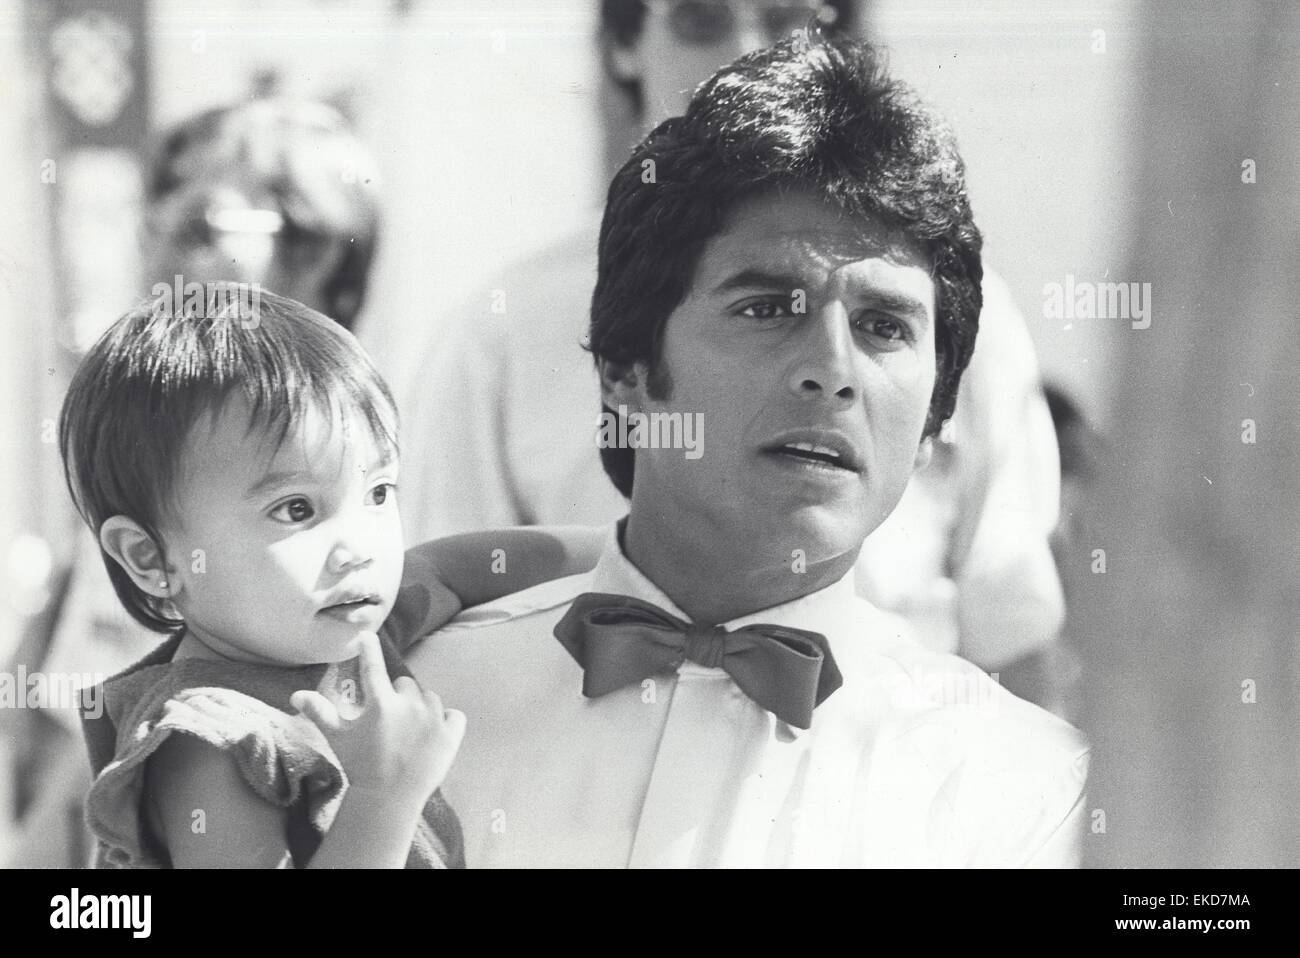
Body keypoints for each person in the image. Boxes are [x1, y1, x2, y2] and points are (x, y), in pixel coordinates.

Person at [393, 34, 1089, 867]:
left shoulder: (1028, 798)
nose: (833, 372)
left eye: (883, 327)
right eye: (766, 309)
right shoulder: (408, 718)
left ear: (936, 413)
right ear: (625, 371)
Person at [60, 288, 468, 867]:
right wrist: (383, 797)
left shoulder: (344, 629)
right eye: (296, 509)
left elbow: (466, 565)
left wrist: (619, 547)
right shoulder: (211, 740)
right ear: (151, 557)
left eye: (378, 492)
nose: (359, 549)